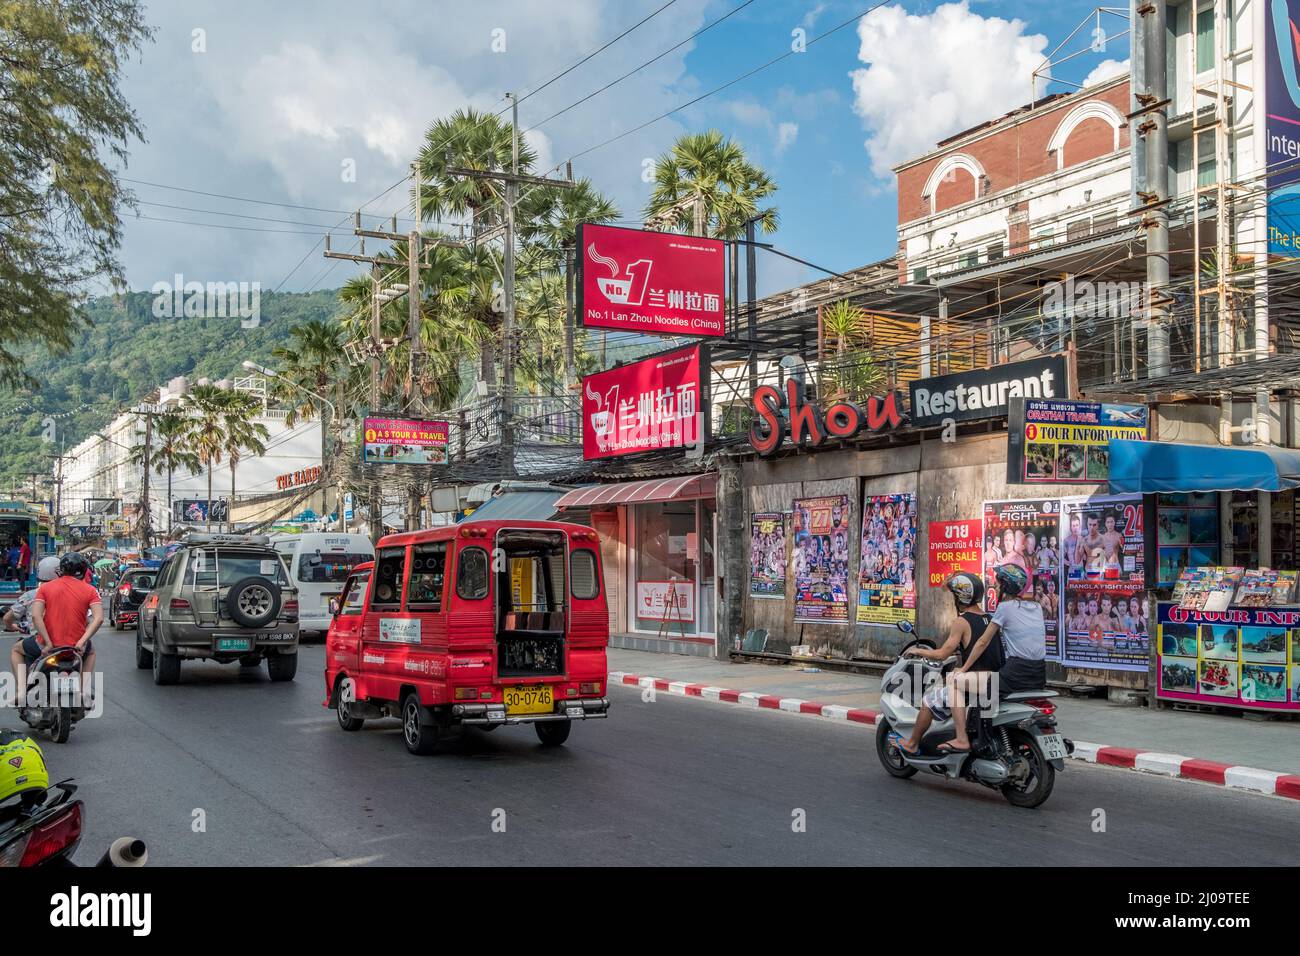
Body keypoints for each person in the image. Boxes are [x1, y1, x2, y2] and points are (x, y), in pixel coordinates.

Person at [894, 572, 1002, 756]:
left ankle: (913, 744)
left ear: (960, 597)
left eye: (953, 595)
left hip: (975, 683)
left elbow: (943, 654)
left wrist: (918, 651)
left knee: (929, 701)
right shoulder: (990, 618)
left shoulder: (962, 621)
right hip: (995, 679)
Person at [942, 564, 1047, 753]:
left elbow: (982, 642)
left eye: (998, 584)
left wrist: (963, 668)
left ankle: (980, 741)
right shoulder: (1037, 607)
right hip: (1039, 673)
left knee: (959, 684)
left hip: (1016, 672)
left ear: (1005, 586)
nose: (996, 588)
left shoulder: (1004, 608)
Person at [18, 552, 102, 708]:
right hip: (75, 648)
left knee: (17, 650)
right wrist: (82, 642)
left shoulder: (45, 588)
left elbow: (36, 616)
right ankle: (83, 691)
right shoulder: (90, 590)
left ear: (61, 569)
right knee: (91, 652)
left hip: (47, 646)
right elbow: (99, 619)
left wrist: (48, 643)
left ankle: (22, 691)